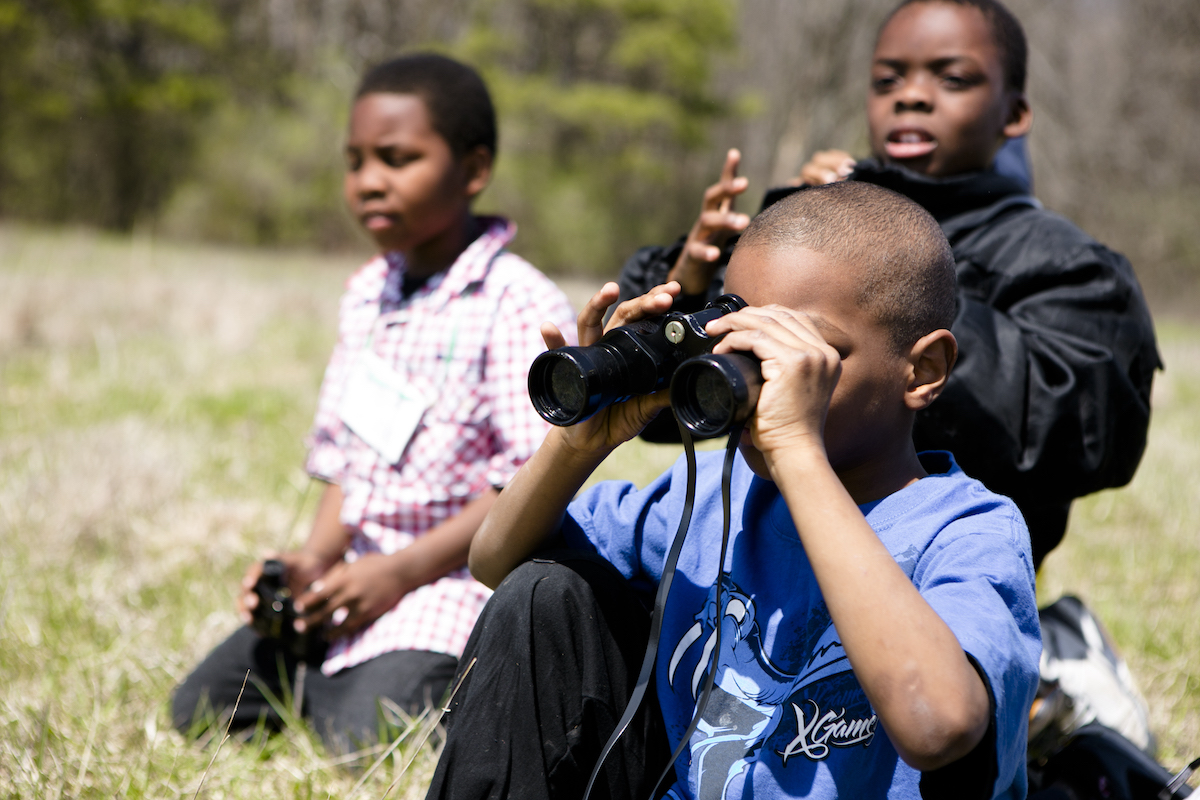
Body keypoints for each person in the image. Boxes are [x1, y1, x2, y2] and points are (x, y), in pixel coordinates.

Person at [425, 181, 1042, 800]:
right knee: (544, 594)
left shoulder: (968, 531)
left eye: (801, 353)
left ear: (923, 370)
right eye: (735, 339)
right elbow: (497, 563)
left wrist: (798, 452)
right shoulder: (722, 494)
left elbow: (937, 726)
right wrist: (574, 446)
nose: (755, 373)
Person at [618, 0, 1160, 569]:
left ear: (1015, 113)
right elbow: (661, 415)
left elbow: (1088, 438)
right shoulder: (814, 225)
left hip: (941, 572)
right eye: (887, 80)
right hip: (766, 564)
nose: (912, 95)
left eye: (953, 78)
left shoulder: (1067, 261)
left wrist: (890, 279)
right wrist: (687, 282)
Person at [171, 53, 577, 752]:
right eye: (355, 162)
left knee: (369, 738)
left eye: (396, 159)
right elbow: (349, 457)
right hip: (353, 581)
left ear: (473, 171)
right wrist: (312, 564)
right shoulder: (368, 294)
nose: (367, 183)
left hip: (445, 583)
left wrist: (396, 574)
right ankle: (327, 684)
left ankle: (388, 695)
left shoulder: (517, 305)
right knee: (199, 709)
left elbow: (529, 487)